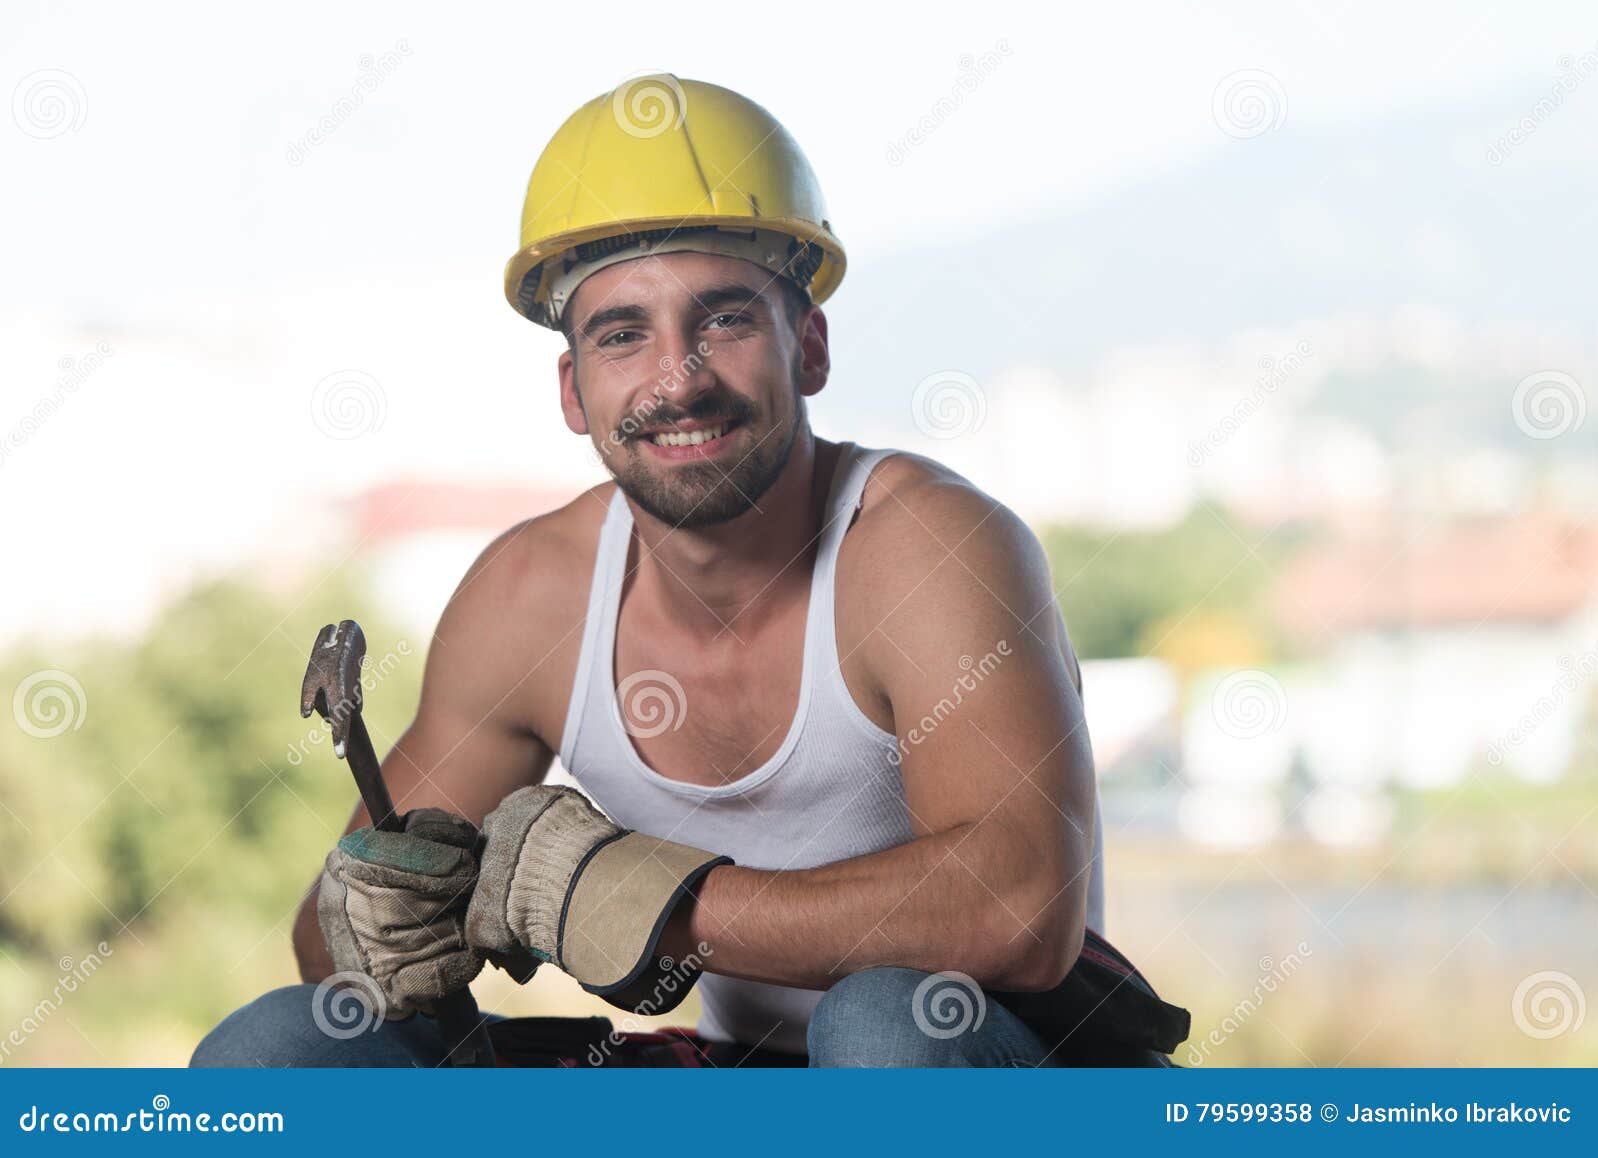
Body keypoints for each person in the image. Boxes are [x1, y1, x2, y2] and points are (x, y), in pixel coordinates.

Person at [193, 74, 1183, 1069]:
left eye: (724, 319)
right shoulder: (532, 596)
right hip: (743, 1077)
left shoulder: (927, 550)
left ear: (810, 346)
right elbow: (327, 956)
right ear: (574, 391)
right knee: (276, 1048)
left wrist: (631, 904)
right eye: (623, 335)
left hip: (1007, 1079)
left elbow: (1018, 913)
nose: (677, 378)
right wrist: (382, 915)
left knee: (886, 1023)